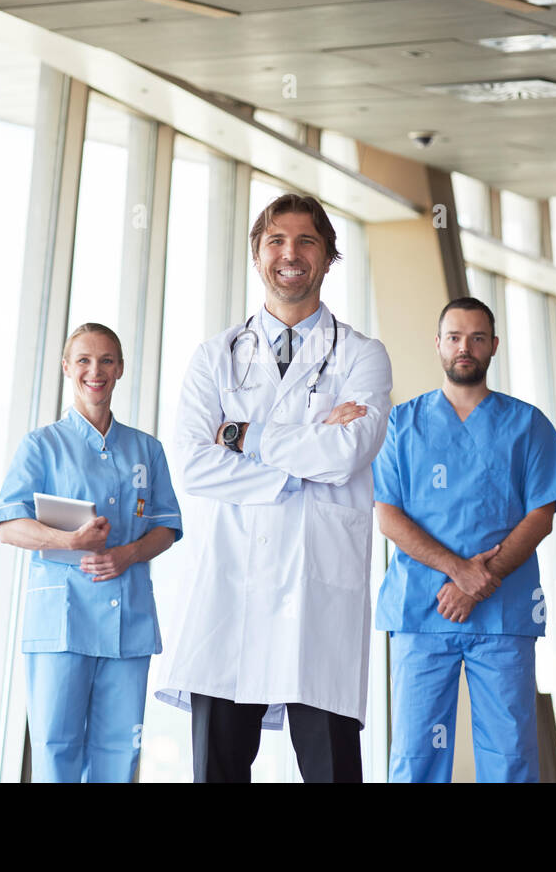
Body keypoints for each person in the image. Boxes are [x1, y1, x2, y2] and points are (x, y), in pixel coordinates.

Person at [155, 193, 393, 783]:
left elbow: (347, 454)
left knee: (331, 769)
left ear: (329, 257)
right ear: (258, 255)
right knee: (218, 770)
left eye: (307, 241)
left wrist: (243, 435)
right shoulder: (214, 358)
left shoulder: (363, 356)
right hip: (229, 588)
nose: (292, 254)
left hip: (318, 591)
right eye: (277, 242)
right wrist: (303, 456)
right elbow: (193, 465)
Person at [372, 297, 556, 783]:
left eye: (477, 338)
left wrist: (477, 580)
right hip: (421, 612)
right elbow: (388, 515)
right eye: (454, 337)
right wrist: (458, 571)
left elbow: (541, 514)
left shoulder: (527, 425)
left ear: (493, 347)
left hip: (503, 612)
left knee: (509, 751)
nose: (465, 347)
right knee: (414, 752)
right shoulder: (401, 425)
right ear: (439, 345)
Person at [0, 323, 183, 782]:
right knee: (56, 750)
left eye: (105, 361)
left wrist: (129, 554)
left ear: (119, 369)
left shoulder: (147, 449)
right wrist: (70, 541)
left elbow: (169, 527)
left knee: (120, 755)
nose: (94, 371)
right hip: (63, 620)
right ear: (66, 368)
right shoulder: (41, 446)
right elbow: (7, 526)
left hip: (129, 624)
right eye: (83, 360)